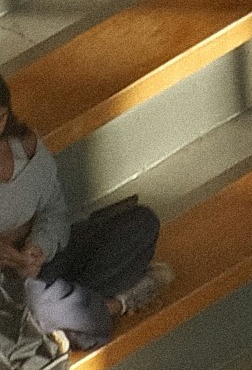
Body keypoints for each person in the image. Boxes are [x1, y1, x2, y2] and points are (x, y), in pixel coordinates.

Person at [0, 81, 161, 354]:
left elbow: (53, 211)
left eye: (0, 117)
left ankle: (64, 318)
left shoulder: (24, 148)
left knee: (142, 223)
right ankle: (114, 305)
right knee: (33, 302)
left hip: (47, 266)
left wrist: (38, 248)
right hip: (11, 291)